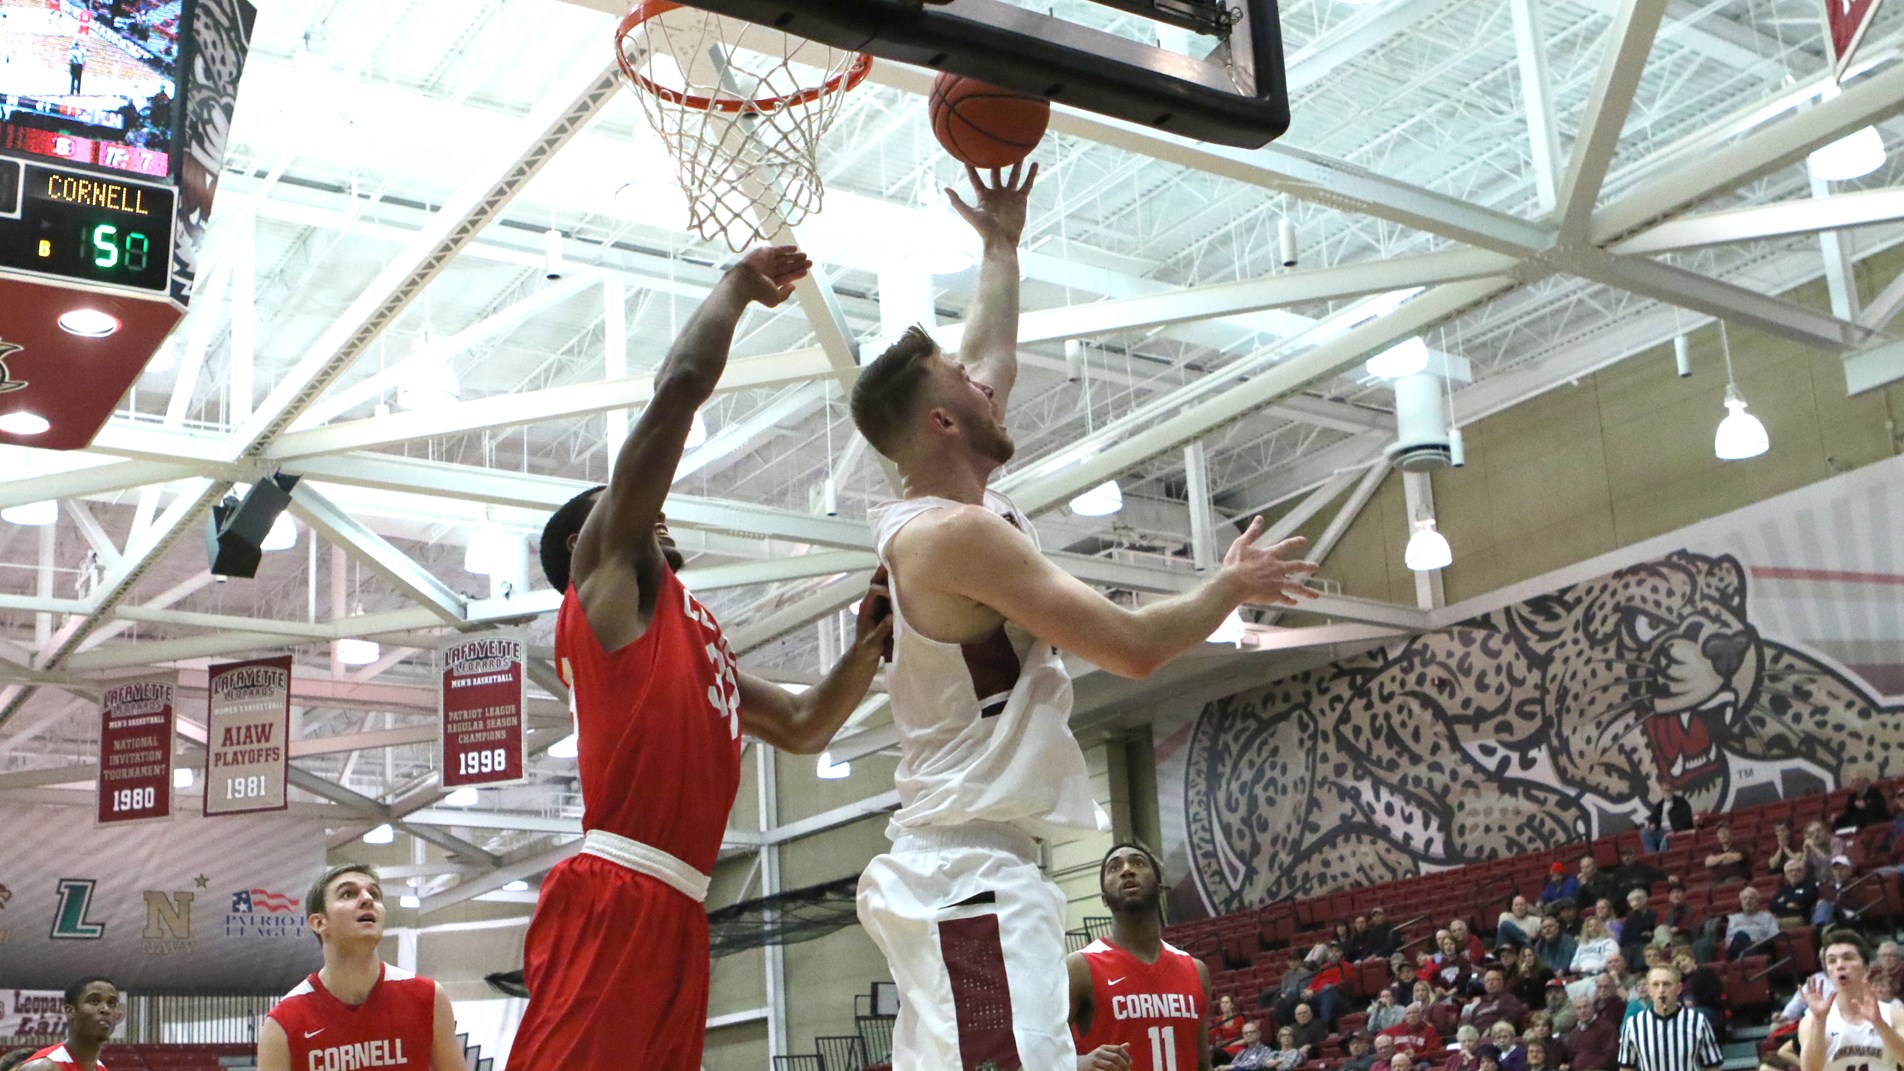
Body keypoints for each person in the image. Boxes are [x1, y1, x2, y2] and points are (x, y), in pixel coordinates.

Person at [849, 164, 1318, 1071]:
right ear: (944, 423)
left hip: (966, 871)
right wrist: (1230, 585)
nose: (990, 385)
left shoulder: (948, 510)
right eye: (965, 386)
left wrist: (1000, 247)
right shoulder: (951, 537)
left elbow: (989, 356)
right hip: (966, 878)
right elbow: (1134, 648)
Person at [512, 247, 891, 1071]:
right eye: (637, 505)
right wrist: (733, 291)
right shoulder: (605, 585)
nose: (660, 510)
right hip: (617, 888)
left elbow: (801, 724)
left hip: (681, 902)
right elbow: (679, 387)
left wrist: (866, 649)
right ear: (590, 539)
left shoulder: (697, 632)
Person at [258, 865, 466, 1071]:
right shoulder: (282, 1024)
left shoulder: (428, 997)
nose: (367, 899)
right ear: (319, 922)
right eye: (348, 894)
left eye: (374, 894)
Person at [1070, 844, 1211, 1071]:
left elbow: (1203, 1063)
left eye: (1138, 863)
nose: (1126, 870)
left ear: (1160, 887)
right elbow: (1033, 1057)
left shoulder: (1196, 971)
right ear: (1104, 898)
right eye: (1114, 867)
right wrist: (1078, 1064)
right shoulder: (1080, 967)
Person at [1797, 930, 1904, 1071]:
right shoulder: (1811, 1021)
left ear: (1867, 969)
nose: (1839, 965)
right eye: (1832, 960)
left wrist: (1879, 1023)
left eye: (1848, 958)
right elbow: (1811, 1069)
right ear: (1828, 972)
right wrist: (1819, 1021)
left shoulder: (1895, 1014)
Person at [1615, 967, 1722, 1071]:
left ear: (1679, 989)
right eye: (1655, 985)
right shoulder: (1633, 1025)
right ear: (1649, 990)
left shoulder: (1698, 1021)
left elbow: (1712, 1066)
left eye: (1666, 984)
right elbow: (1626, 1067)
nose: (1661, 990)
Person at [13, 978, 119, 1071]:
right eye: (94, 1001)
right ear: (70, 1011)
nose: (106, 1009)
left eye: (111, 1004)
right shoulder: (43, 1067)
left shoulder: (101, 1069)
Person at [1726, 886, 1782, 960]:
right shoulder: (1733, 918)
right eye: (1745, 898)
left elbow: (1775, 937)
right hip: (1736, 948)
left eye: (1751, 898)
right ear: (1741, 902)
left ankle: (1740, 963)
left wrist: (1754, 940)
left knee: (1741, 936)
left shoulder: (1767, 917)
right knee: (1740, 936)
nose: (1748, 901)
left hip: (1757, 947)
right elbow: (1727, 941)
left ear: (1758, 901)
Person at [1569, 994, 1623, 1071]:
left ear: (1593, 1007)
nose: (1582, 1011)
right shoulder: (1574, 1033)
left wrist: (1592, 1069)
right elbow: (1572, 1057)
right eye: (1578, 1008)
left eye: (1585, 1006)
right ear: (1575, 1012)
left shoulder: (1606, 1028)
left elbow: (1611, 1055)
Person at [1469, 969, 1528, 1034]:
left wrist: (1492, 1029)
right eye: (1487, 980)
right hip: (1476, 1038)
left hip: (1498, 1035)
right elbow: (1471, 1023)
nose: (1490, 983)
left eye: (1494, 979)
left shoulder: (1508, 999)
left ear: (1501, 982)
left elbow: (1512, 1015)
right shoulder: (1480, 1003)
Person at [1645, 783, 1696, 854]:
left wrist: (1675, 830)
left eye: (1669, 790)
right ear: (1661, 791)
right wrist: (1653, 824)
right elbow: (1653, 817)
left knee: (1666, 838)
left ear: (1673, 790)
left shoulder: (1682, 803)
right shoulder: (1659, 805)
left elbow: (1687, 821)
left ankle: (1663, 855)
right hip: (1662, 831)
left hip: (1677, 830)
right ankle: (1651, 856)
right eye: (1664, 790)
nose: (1667, 792)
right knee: (1645, 832)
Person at [1771, 858, 1822, 925]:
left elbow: (1803, 899)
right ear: (1786, 875)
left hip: (1801, 919)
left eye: (1798, 870)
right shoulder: (1783, 889)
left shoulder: (1810, 886)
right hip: (1782, 919)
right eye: (1790, 871)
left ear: (1804, 873)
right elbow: (1772, 904)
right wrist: (1786, 905)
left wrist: (1784, 898)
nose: (1794, 873)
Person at [1620, 891, 1660, 965]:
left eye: (1638, 899)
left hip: (1650, 943)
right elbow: (1624, 937)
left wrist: (1646, 935)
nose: (1635, 903)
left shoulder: (1653, 914)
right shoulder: (1630, 918)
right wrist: (1636, 913)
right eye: (1631, 901)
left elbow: (1653, 932)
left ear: (1645, 900)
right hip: (1633, 945)